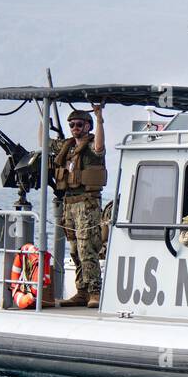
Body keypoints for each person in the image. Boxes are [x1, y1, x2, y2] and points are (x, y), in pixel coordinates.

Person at [53, 104, 107, 307]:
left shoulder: (92, 146)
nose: (75, 128)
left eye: (79, 124)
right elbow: (44, 143)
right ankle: (81, 290)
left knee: (87, 248)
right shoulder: (67, 147)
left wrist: (99, 119)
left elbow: (100, 146)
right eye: (72, 125)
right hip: (70, 203)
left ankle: (95, 291)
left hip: (87, 203)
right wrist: (42, 114)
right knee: (75, 249)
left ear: (87, 126)